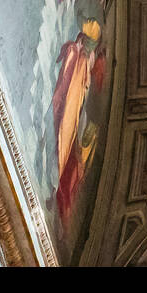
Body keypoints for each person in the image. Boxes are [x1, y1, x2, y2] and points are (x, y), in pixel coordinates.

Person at [53, 21, 105, 225]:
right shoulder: (80, 54)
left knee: (68, 139)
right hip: (72, 109)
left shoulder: (83, 57)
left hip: (73, 111)